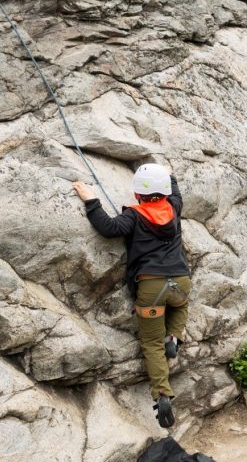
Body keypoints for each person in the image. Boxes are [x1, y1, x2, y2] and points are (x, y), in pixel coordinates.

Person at [73, 164, 191, 429]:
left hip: (151, 287)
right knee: (181, 306)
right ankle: (174, 336)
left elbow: (108, 227)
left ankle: (162, 394)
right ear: (164, 191)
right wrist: (169, 174)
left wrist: (91, 199)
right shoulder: (174, 207)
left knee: (151, 343)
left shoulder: (134, 217)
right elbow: (176, 193)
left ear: (137, 194)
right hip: (180, 281)